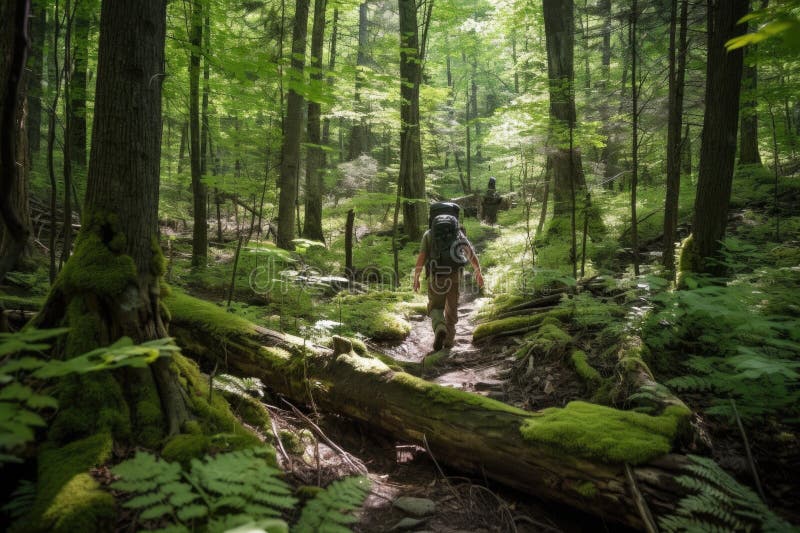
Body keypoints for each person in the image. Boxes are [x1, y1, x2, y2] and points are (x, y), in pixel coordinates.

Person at [413, 217, 484, 351]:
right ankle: (449, 341)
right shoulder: (458, 233)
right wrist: (478, 271)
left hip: (436, 276)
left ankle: (440, 327)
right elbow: (470, 253)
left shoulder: (428, 234)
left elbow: (421, 257)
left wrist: (416, 278)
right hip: (455, 276)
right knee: (451, 308)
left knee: (435, 307)